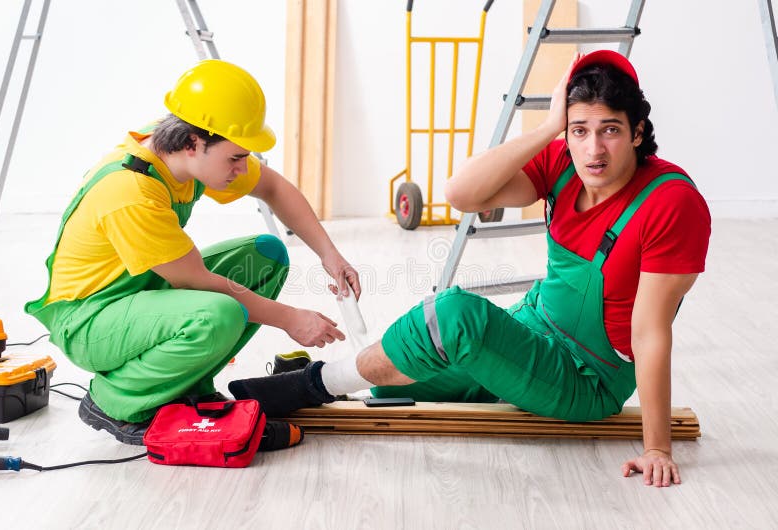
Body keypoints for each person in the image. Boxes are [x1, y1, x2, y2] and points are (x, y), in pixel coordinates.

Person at [227, 50, 711, 486]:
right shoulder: (564, 160)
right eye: (579, 130)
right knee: (389, 381)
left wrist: (656, 448)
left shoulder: (671, 203)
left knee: (453, 314)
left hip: (586, 376)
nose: (593, 150)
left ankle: (311, 383)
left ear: (638, 131)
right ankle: (323, 378)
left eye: (610, 130)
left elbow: (649, 332)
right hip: (534, 327)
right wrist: (547, 129)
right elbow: (462, 193)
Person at [25, 60, 361, 449]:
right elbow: (195, 281)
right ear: (191, 143)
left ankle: (189, 387)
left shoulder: (181, 152)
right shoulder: (130, 191)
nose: (242, 168)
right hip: (89, 319)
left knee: (265, 255)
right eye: (235, 158)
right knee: (220, 312)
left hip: (138, 289)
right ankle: (116, 401)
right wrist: (291, 319)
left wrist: (329, 255)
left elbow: (274, 188)